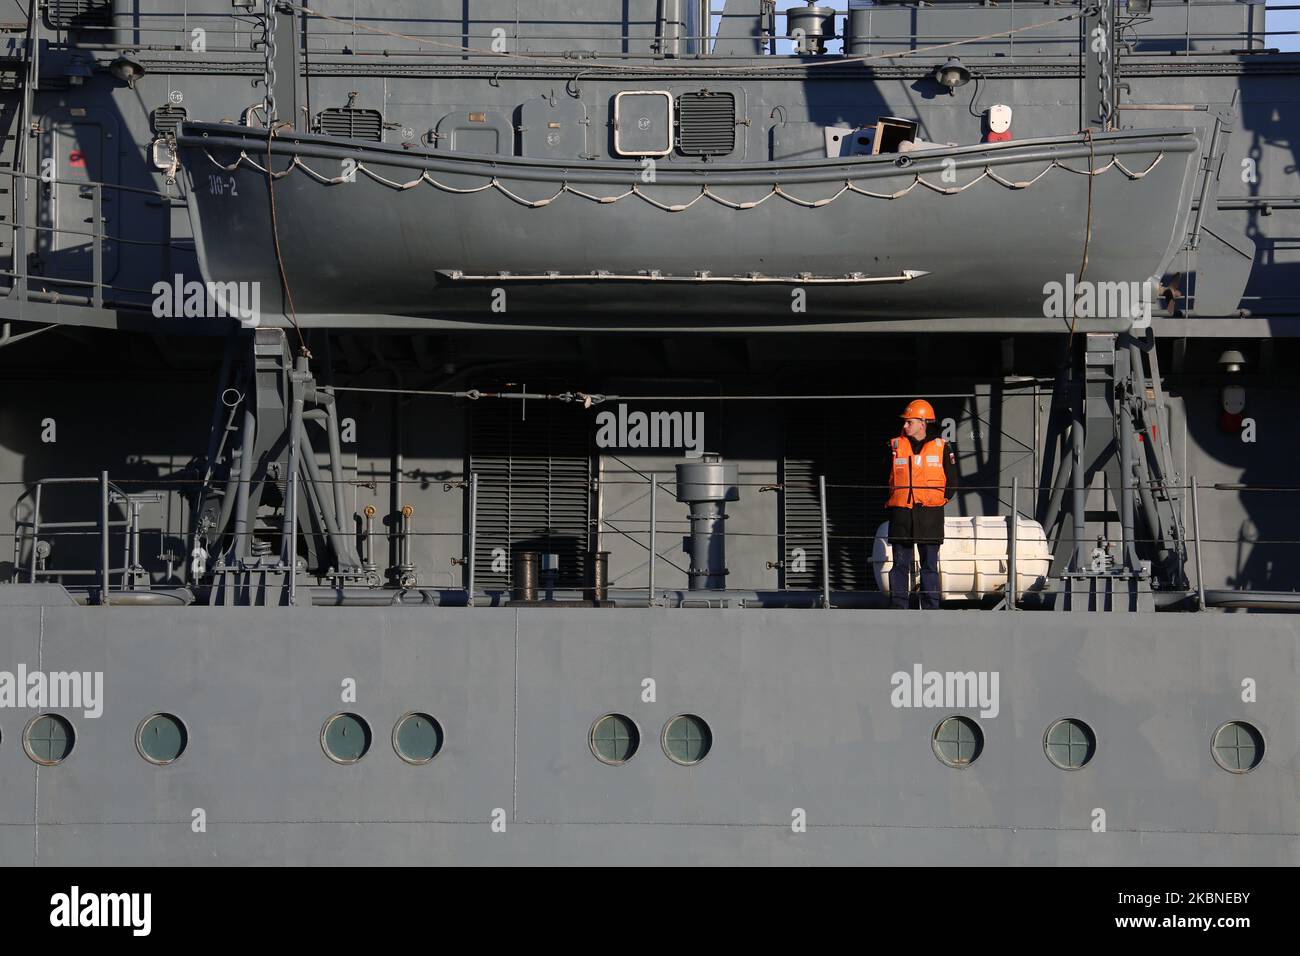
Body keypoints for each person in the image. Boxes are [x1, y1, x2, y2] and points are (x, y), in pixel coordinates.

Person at [885, 399, 958, 609]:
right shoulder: (894, 447)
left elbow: (952, 483)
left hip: (930, 516)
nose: (905, 425)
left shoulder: (943, 447)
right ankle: (899, 608)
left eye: (910, 422)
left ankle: (930, 608)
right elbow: (884, 476)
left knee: (929, 566)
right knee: (899, 564)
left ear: (923, 423)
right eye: (906, 422)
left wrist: (935, 501)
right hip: (902, 516)